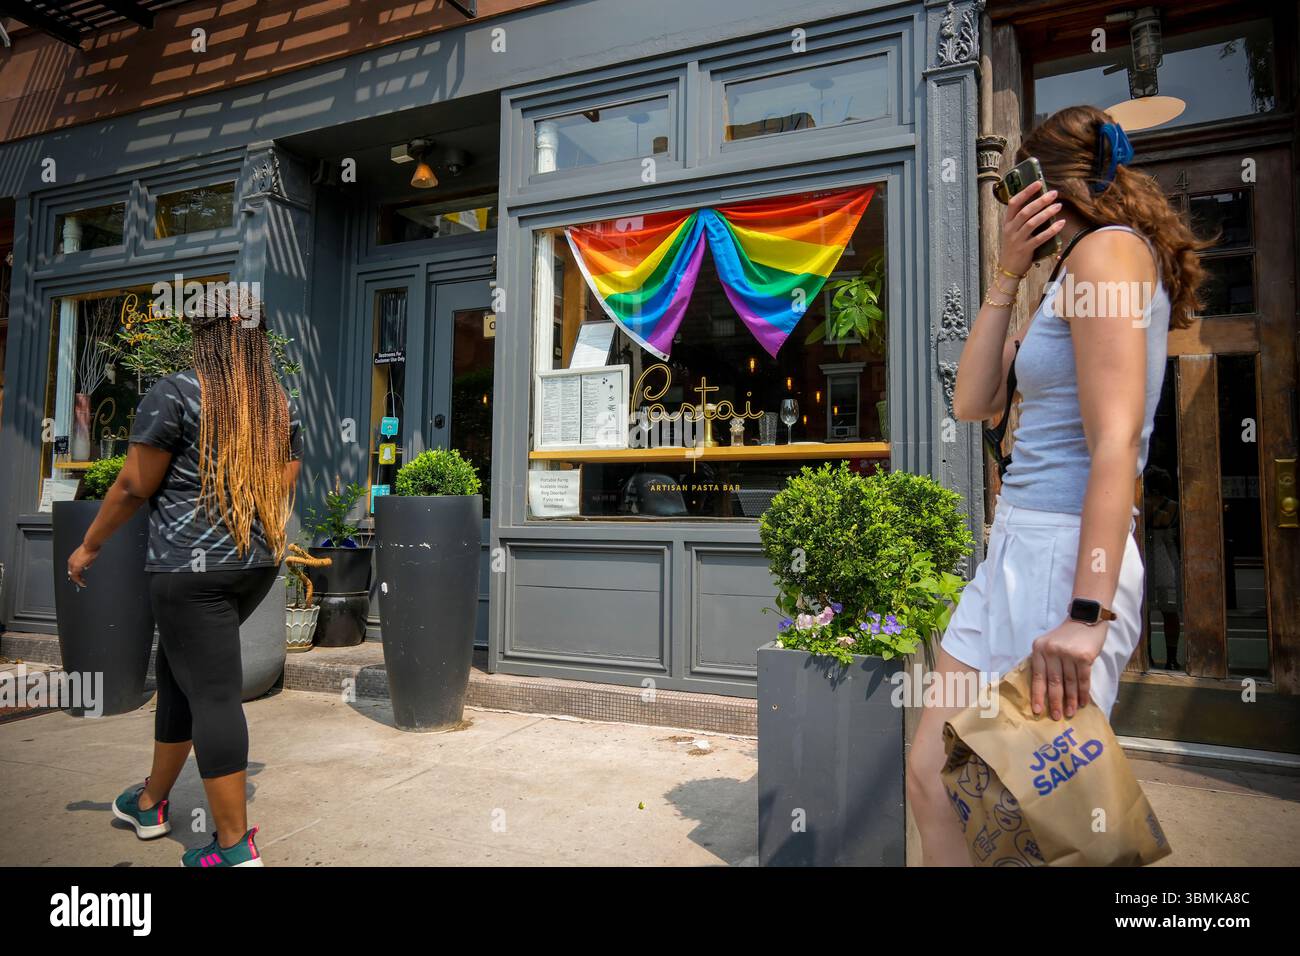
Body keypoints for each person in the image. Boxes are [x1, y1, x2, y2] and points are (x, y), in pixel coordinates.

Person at [906, 105, 1207, 866]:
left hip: (1065, 554)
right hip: (1013, 549)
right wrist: (1008, 272)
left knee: (1038, 813)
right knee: (933, 775)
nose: (1009, 199)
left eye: (1017, 183)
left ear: (1049, 185)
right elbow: (972, 402)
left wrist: (1085, 611)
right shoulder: (1062, 278)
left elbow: (1116, 446)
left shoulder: (1109, 256)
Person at [67, 293, 301, 867]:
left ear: (205, 337)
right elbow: (285, 479)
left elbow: (130, 486)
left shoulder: (174, 392)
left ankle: (233, 849)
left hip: (190, 574)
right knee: (179, 676)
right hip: (254, 566)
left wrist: (89, 545)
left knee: (215, 696)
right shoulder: (275, 401)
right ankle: (150, 802)